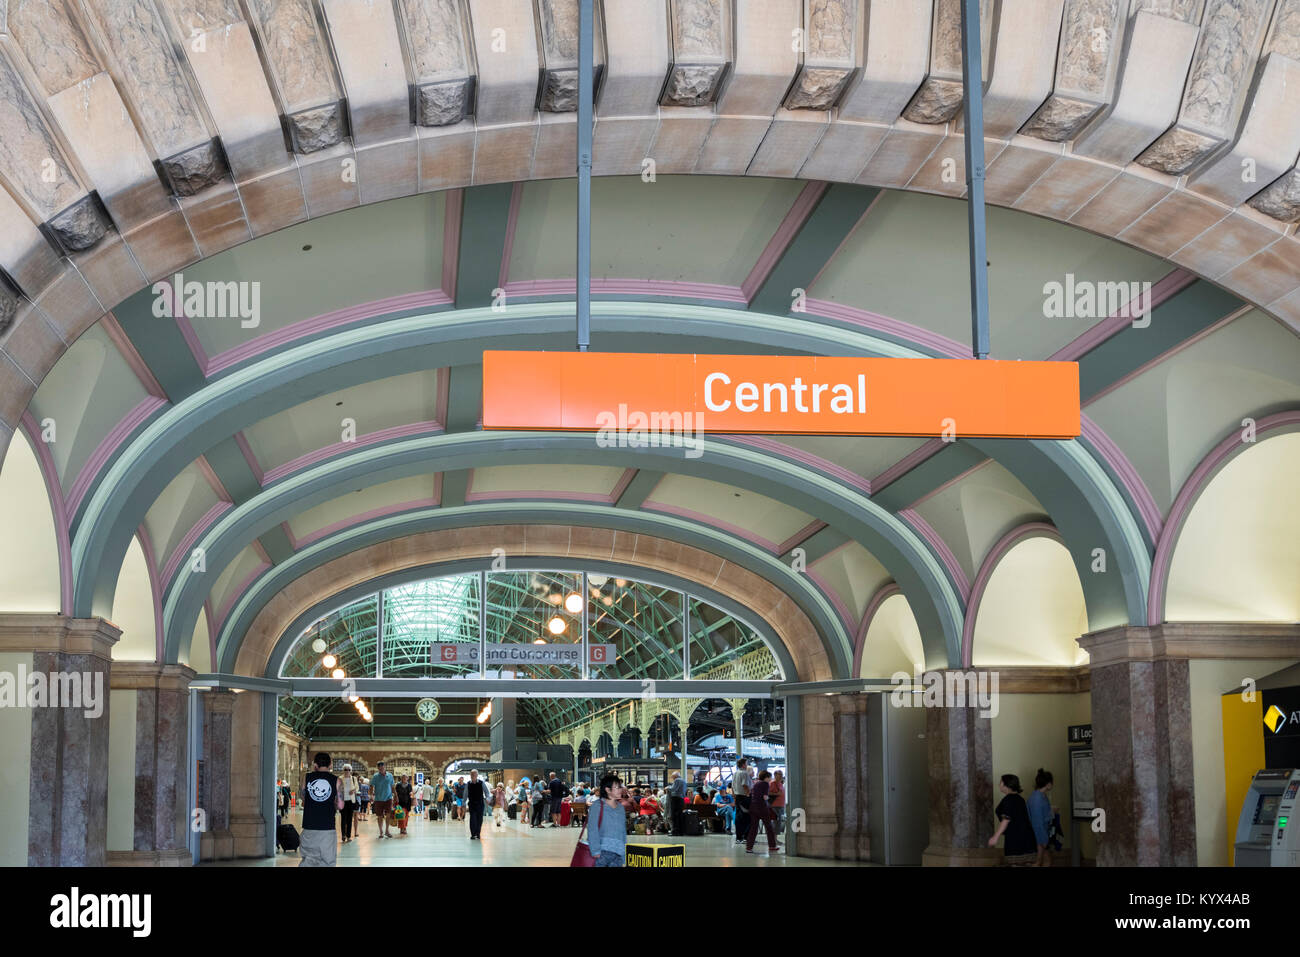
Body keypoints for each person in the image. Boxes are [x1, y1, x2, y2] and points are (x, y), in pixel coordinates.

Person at [299, 752, 342, 867]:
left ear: (315, 765)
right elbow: (341, 805)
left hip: (309, 827)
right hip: (327, 828)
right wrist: (334, 804)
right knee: (327, 862)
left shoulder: (306, 777)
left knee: (308, 861)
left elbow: (303, 797)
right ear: (331, 764)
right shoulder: (337, 781)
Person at [988, 773, 1037, 866]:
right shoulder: (1020, 799)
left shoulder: (1008, 800)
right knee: (1027, 864)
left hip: (1016, 839)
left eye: (1000, 782)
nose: (999, 784)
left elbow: (1006, 820)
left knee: (1015, 864)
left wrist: (995, 837)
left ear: (1007, 785)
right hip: (1028, 838)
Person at [588, 774, 627, 867]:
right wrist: (595, 850)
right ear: (607, 789)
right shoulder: (597, 806)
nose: (620, 790)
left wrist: (624, 853)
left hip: (618, 853)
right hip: (602, 852)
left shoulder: (621, 807)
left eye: (620, 787)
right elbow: (592, 830)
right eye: (617, 787)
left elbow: (623, 831)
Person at [744, 770, 781, 854]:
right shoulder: (765, 784)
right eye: (769, 777)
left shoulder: (756, 783)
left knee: (753, 828)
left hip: (753, 807)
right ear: (766, 777)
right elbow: (765, 797)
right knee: (769, 827)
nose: (770, 779)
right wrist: (769, 799)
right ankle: (772, 846)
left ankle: (749, 847)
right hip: (762, 808)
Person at [1027, 768, 1055, 867]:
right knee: (1047, 861)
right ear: (1048, 784)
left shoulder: (1038, 796)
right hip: (1041, 833)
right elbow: (1037, 821)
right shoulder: (1037, 798)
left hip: (1042, 832)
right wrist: (1044, 840)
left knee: (1040, 861)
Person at [371, 761, 395, 839]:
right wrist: (371, 795)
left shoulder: (390, 775)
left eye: (382, 766)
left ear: (385, 767)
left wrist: (396, 795)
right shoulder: (375, 776)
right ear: (378, 768)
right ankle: (381, 831)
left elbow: (392, 786)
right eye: (379, 767)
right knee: (380, 816)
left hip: (388, 798)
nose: (381, 768)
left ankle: (387, 830)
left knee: (388, 815)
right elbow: (371, 786)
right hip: (378, 799)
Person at [732, 758, 752, 844]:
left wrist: (734, 796)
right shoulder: (744, 773)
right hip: (744, 797)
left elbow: (732, 786)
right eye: (746, 763)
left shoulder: (735, 773)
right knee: (747, 817)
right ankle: (745, 837)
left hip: (738, 797)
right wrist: (748, 794)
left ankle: (738, 837)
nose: (747, 765)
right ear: (743, 764)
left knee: (738, 817)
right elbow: (745, 785)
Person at [338, 764, 358, 843]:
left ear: (351, 771)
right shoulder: (340, 778)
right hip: (343, 801)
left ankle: (348, 836)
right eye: (346, 769)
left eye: (349, 769)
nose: (347, 771)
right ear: (343, 770)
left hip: (351, 801)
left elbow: (357, 787)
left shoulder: (353, 778)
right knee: (343, 818)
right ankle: (343, 835)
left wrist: (353, 790)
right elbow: (337, 788)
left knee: (350, 819)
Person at [466, 769, 486, 839]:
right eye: (472, 774)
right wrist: (463, 803)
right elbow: (465, 794)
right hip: (472, 804)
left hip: (480, 804)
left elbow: (487, 792)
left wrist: (488, 799)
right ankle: (473, 834)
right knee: (473, 818)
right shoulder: (468, 783)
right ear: (470, 775)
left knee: (479, 819)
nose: (473, 776)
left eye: (474, 774)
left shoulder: (481, 783)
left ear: (477, 775)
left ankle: (478, 833)